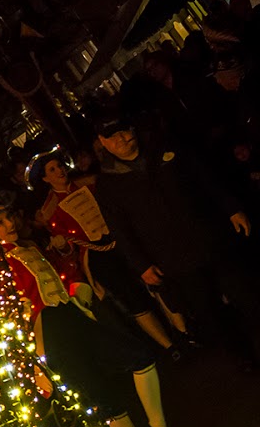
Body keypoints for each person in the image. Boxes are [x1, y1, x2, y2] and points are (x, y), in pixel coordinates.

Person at [0, 196, 185, 427]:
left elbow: (63, 274)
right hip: (50, 333)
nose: (8, 224)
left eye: (8, 217)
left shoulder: (27, 246)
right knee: (103, 397)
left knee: (140, 357)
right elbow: (18, 312)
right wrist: (37, 360)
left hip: (71, 315)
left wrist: (74, 284)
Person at [91, 111, 260, 366]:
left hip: (211, 237)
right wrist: (142, 264)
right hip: (174, 258)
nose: (121, 139)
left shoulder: (164, 148)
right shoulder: (107, 183)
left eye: (123, 131)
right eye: (111, 136)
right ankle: (243, 359)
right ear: (103, 142)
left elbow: (205, 178)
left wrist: (232, 208)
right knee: (210, 312)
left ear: (133, 129)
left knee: (247, 293)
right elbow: (119, 227)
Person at [29, 149, 185, 353]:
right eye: (52, 169)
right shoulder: (49, 210)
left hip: (122, 242)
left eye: (59, 165)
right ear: (45, 178)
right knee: (132, 299)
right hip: (98, 257)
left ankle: (184, 332)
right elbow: (68, 250)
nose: (59, 170)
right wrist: (63, 247)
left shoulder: (91, 183)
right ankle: (169, 346)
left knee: (156, 282)